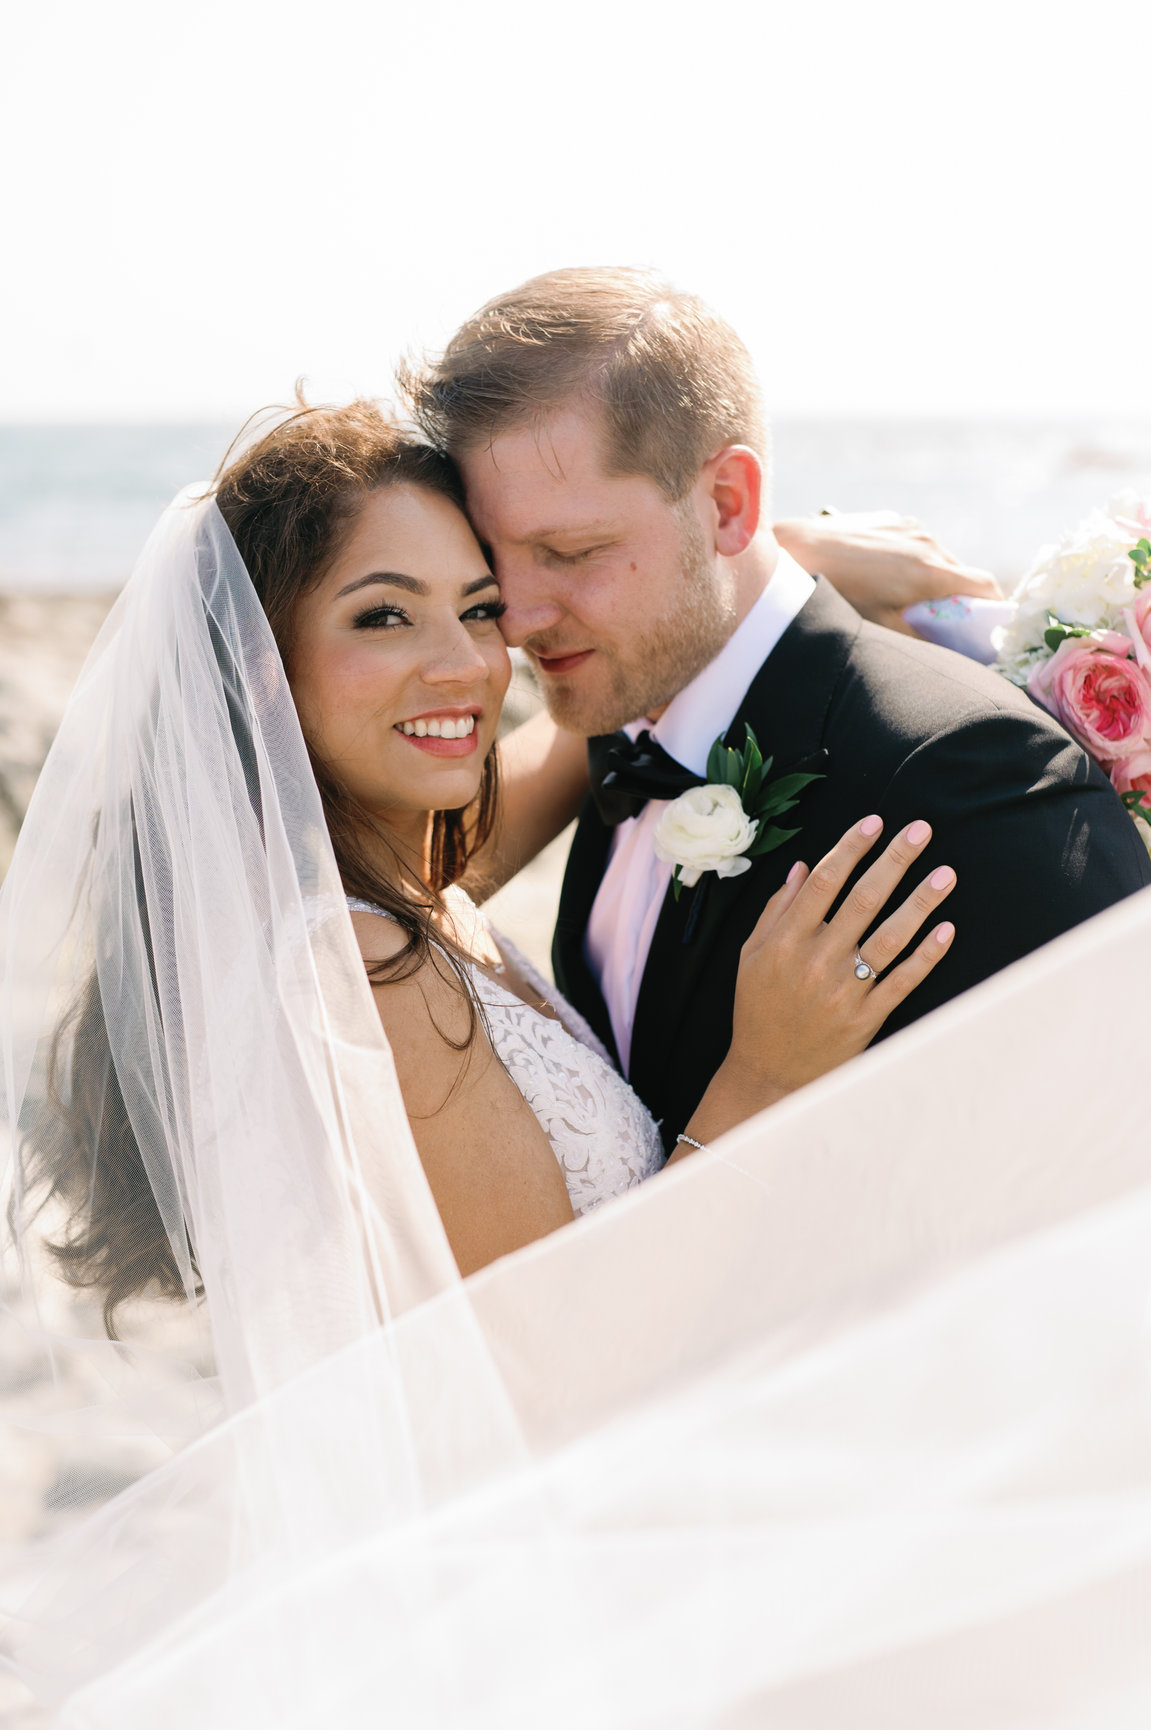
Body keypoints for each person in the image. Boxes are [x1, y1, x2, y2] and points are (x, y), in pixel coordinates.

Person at [5, 407, 1151, 1730]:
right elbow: (553, 1383)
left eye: (480, 607)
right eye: (384, 617)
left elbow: (560, 751)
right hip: (558, 1607)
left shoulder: (384, 892)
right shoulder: (346, 972)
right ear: (262, 672)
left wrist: (739, 579)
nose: (464, 668)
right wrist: (756, 1078)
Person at [405, 265, 1151, 1152]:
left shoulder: (969, 781)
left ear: (727, 505)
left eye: (570, 551)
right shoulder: (621, 720)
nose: (517, 622)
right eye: (491, 558)